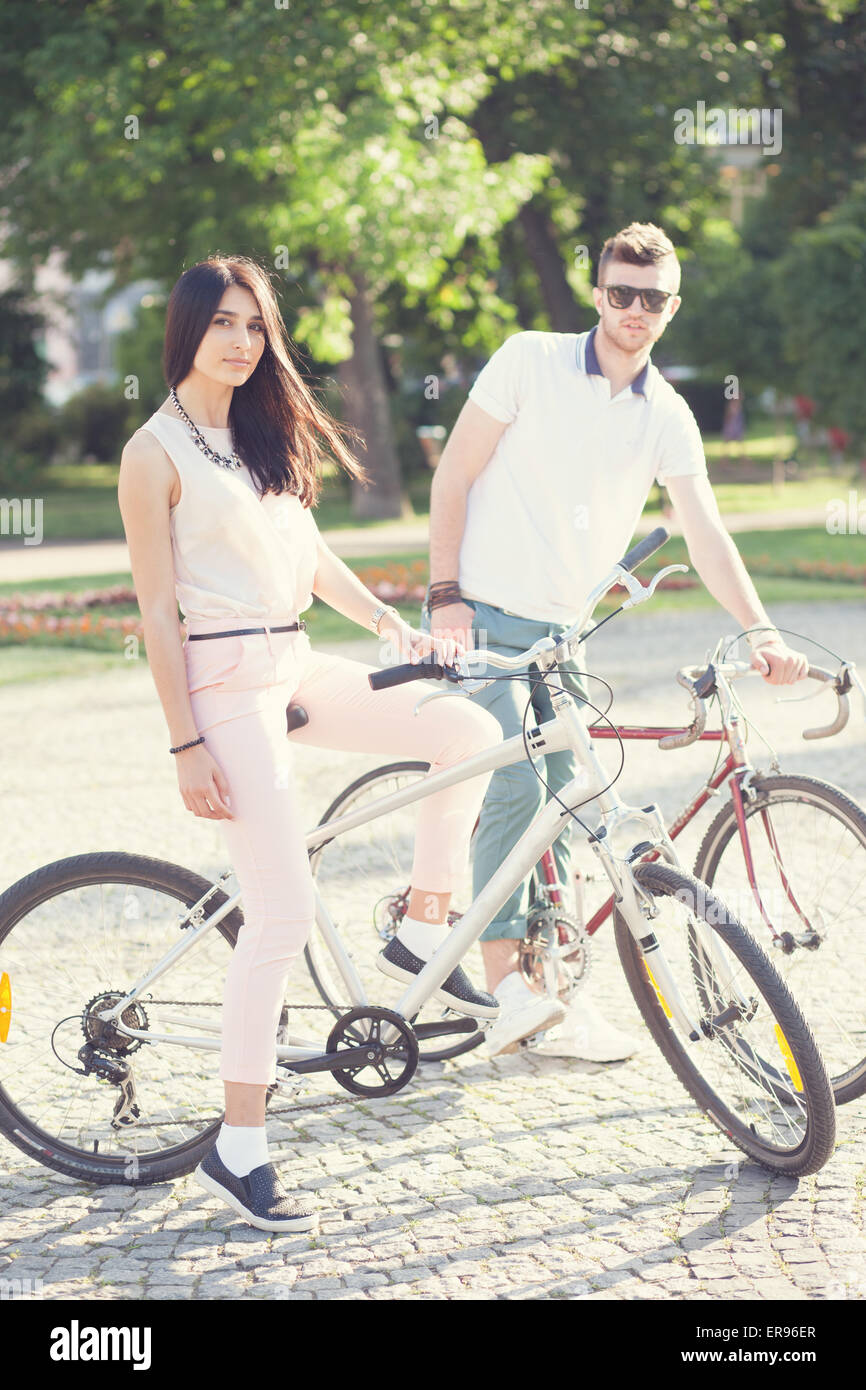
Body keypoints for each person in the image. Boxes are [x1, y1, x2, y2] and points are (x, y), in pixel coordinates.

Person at [117, 255, 504, 1234]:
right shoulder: (152, 452)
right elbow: (158, 613)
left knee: (466, 727)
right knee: (281, 911)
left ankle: (421, 924)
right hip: (222, 687)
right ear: (187, 330)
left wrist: (395, 631)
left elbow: (312, 557)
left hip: (296, 662)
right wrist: (183, 745)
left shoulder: (256, 434)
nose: (242, 341)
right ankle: (237, 1149)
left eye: (255, 324)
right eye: (223, 323)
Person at [414, 221, 809, 1059]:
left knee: (573, 803)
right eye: (620, 293)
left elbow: (703, 530)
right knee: (520, 787)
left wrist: (760, 628)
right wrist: (445, 595)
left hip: (565, 633)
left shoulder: (665, 412)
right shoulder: (529, 358)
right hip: (482, 611)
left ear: (672, 307)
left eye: (652, 298)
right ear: (599, 293)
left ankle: (552, 992)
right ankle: (507, 987)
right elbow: (454, 473)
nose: (634, 309)